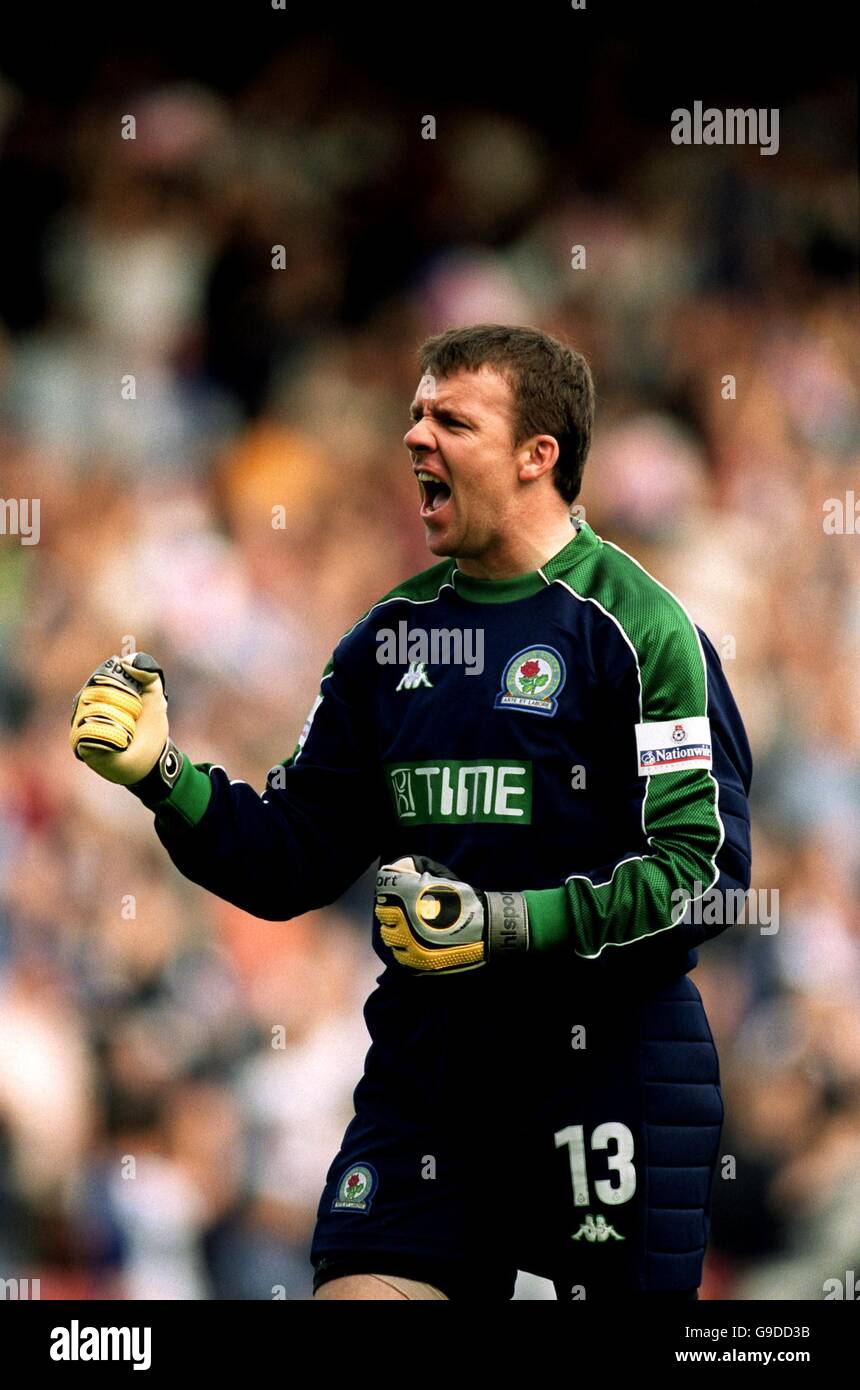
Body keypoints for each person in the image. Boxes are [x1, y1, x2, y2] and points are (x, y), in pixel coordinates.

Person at [70, 324, 752, 1301]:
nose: (414, 438)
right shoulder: (385, 640)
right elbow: (292, 855)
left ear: (535, 455)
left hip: (606, 1075)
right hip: (428, 1079)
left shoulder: (641, 632)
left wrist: (503, 926)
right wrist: (162, 774)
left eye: (450, 419)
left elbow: (702, 877)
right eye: (414, 414)